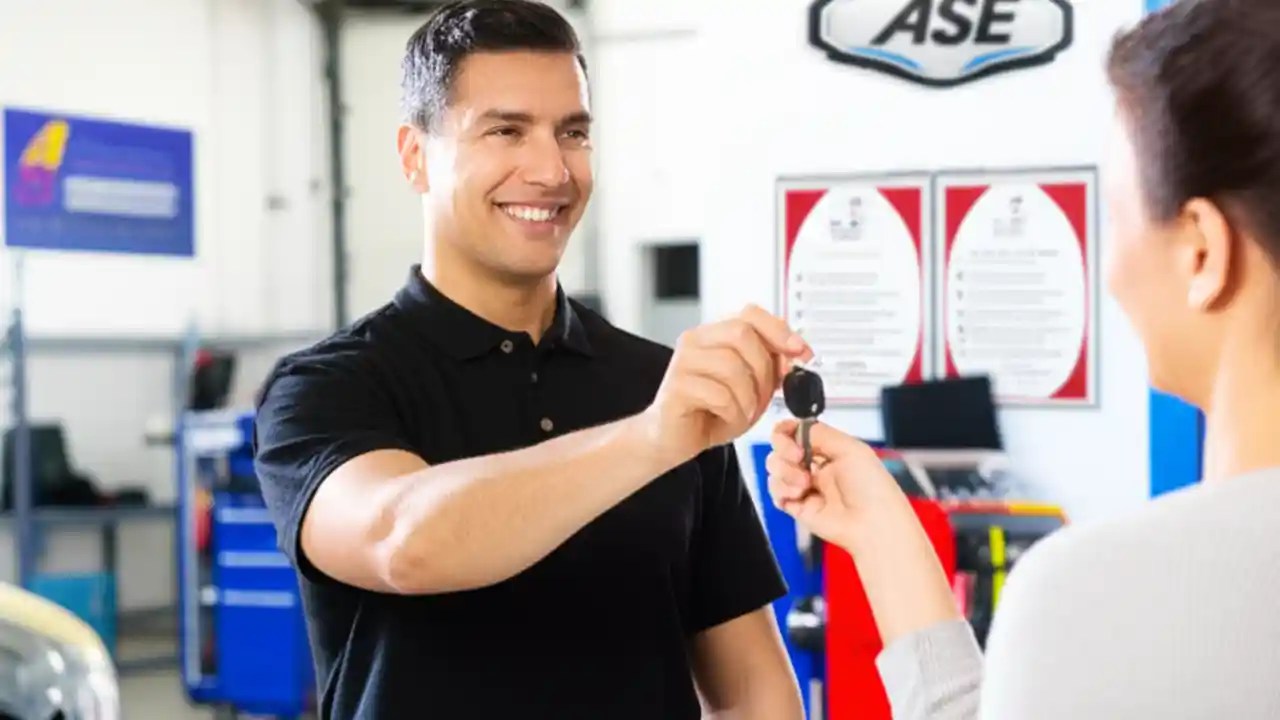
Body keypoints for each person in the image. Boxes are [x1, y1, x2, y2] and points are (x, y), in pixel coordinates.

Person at [252, 1, 808, 718]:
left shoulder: (660, 386)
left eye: (572, 133)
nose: (551, 170)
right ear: (414, 155)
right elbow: (403, 541)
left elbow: (754, 693)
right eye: (506, 131)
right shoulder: (328, 387)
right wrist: (647, 440)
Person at [765, 0, 1280, 718]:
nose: (1108, 265)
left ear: (1200, 249)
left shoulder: (1098, 592)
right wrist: (883, 530)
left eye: (1116, 214)